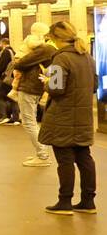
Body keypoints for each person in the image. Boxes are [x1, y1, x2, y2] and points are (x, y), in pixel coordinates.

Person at [39, 21, 97, 215]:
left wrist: (47, 82)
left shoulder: (60, 59)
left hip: (62, 116)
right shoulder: (87, 57)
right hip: (83, 115)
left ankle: (65, 202)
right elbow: (94, 86)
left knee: (65, 159)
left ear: (55, 38)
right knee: (84, 157)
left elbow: (56, 88)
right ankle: (88, 201)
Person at [9, 32, 55, 166]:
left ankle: (43, 155)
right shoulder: (48, 49)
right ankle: (41, 152)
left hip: (29, 87)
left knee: (28, 121)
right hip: (35, 87)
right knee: (32, 121)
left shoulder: (42, 50)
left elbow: (19, 63)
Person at [0, 37, 19, 124]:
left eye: (0, 44)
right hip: (13, 78)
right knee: (12, 97)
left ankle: (3, 116)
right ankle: (15, 118)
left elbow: (2, 66)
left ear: (3, 43)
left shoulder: (5, 52)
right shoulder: (13, 52)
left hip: (5, 78)